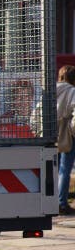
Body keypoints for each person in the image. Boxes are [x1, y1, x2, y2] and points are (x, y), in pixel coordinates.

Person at [56, 65, 75, 214]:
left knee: (51, 168)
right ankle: (62, 203)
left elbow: (37, 110)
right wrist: (73, 130)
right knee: (65, 168)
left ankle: (49, 201)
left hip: (49, 132)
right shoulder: (72, 91)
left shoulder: (50, 88)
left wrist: (38, 130)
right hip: (67, 133)